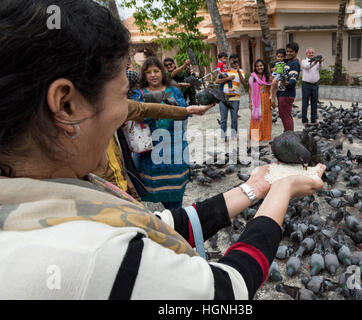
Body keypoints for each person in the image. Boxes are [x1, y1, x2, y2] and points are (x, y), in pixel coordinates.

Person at [0, 0, 326, 300]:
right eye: (122, 94)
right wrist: (282, 189)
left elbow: (155, 223)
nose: (126, 110)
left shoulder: (40, 201)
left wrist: (253, 188)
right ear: (66, 105)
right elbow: (227, 293)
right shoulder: (92, 255)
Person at [131, 56, 191, 210]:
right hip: (151, 153)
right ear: (144, 75)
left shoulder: (174, 91)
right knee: (153, 194)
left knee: (176, 195)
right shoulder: (138, 94)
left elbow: (183, 111)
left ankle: (177, 222)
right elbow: (137, 114)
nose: (153, 75)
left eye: (156, 71)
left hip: (175, 149)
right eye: (148, 72)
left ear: (162, 72)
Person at [215, 54, 246, 142]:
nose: (234, 62)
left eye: (236, 60)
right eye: (232, 60)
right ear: (229, 61)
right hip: (223, 98)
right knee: (223, 118)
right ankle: (223, 136)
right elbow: (217, 81)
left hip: (236, 98)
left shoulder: (241, 71)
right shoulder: (224, 70)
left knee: (234, 118)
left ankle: (234, 135)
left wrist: (238, 71)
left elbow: (244, 82)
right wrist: (228, 78)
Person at [277, 42, 301, 132]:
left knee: (286, 115)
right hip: (281, 93)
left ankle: (289, 135)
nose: (288, 53)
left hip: (287, 94)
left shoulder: (294, 63)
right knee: (283, 114)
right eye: (287, 51)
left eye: (291, 51)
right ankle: (286, 132)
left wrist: (285, 82)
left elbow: (292, 81)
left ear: (296, 52)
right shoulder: (288, 62)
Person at [248, 59, 273, 143]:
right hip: (256, 102)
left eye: (261, 65)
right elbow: (250, 90)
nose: (259, 67)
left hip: (266, 100)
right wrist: (250, 102)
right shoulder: (253, 77)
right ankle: (255, 136)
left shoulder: (268, 76)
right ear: (255, 67)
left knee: (265, 117)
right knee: (256, 118)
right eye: (257, 66)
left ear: (264, 66)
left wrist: (272, 99)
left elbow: (272, 88)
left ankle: (265, 135)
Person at [301, 47, 325, 125]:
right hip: (306, 84)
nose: (311, 54)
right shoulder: (304, 61)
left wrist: (320, 62)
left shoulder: (316, 61)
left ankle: (313, 119)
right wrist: (315, 62)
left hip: (315, 84)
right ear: (306, 54)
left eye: (312, 53)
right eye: (309, 53)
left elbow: (320, 67)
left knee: (314, 102)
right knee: (305, 103)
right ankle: (304, 120)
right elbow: (308, 67)